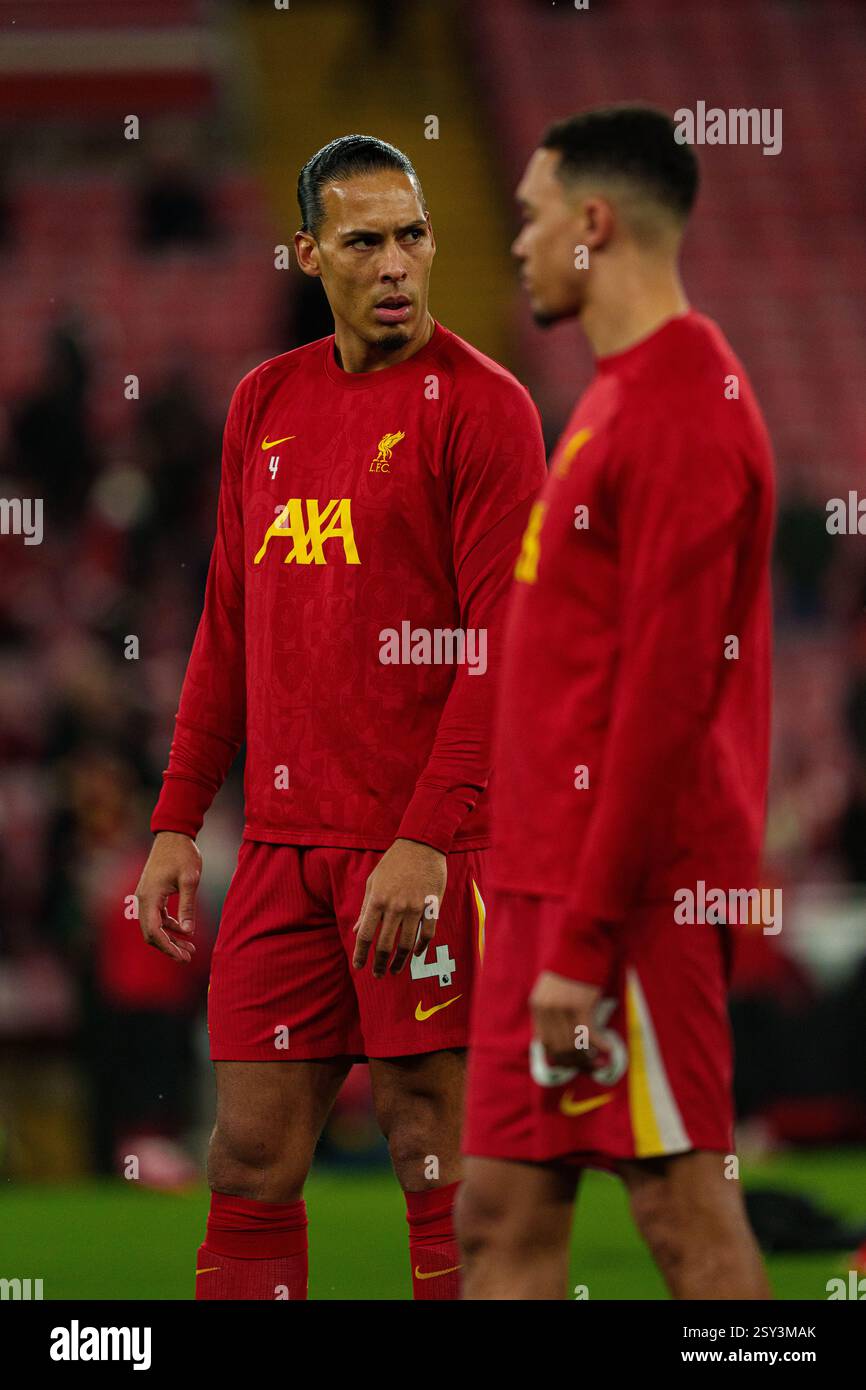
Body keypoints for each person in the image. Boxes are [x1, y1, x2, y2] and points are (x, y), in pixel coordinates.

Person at [134, 134, 546, 1301]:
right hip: (277, 850)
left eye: (411, 234)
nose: (394, 264)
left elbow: (501, 644)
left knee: (432, 1149)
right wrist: (176, 819)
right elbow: (227, 628)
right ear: (308, 252)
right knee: (251, 1155)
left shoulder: (484, 409)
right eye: (362, 241)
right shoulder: (263, 400)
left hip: (429, 843)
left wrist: (424, 837)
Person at [458, 105, 775, 1300]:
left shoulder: (686, 405)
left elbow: (664, 696)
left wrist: (584, 940)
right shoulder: (609, 397)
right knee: (495, 1224)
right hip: (549, 885)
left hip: (628, 895)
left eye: (532, 216)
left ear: (594, 224)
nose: (518, 242)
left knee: (681, 1213)